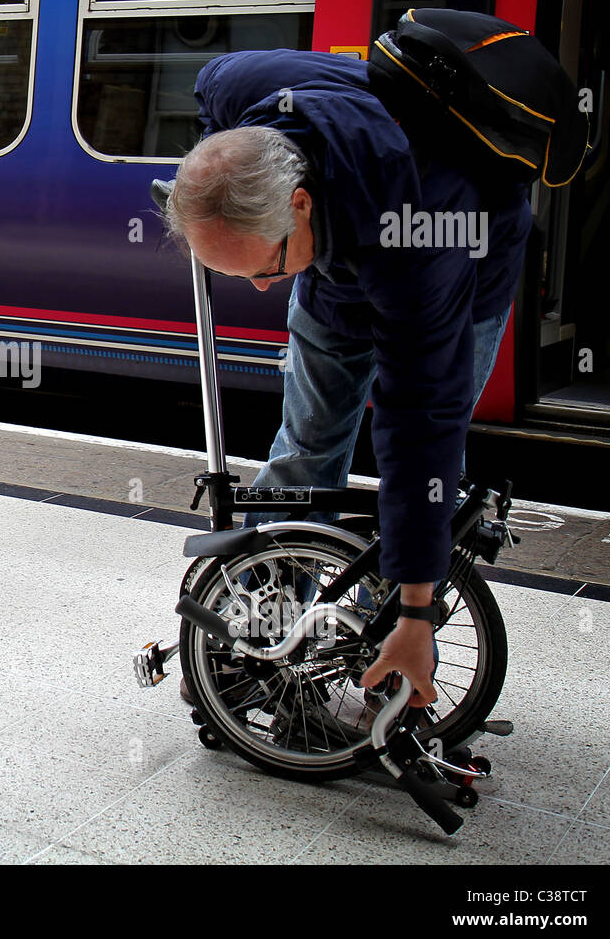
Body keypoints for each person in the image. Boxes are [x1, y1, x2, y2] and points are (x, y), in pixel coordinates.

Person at [160, 48, 532, 709]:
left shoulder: (421, 235)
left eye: (267, 267)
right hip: (337, 260)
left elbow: (422, 421)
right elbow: (209, 92)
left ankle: (397, 648)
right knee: (306, 445)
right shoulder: (240, 91)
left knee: (424, 465)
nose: (266, 285)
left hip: (465, 262)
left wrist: (417, 610)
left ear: (299, 205)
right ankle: (257, 639)